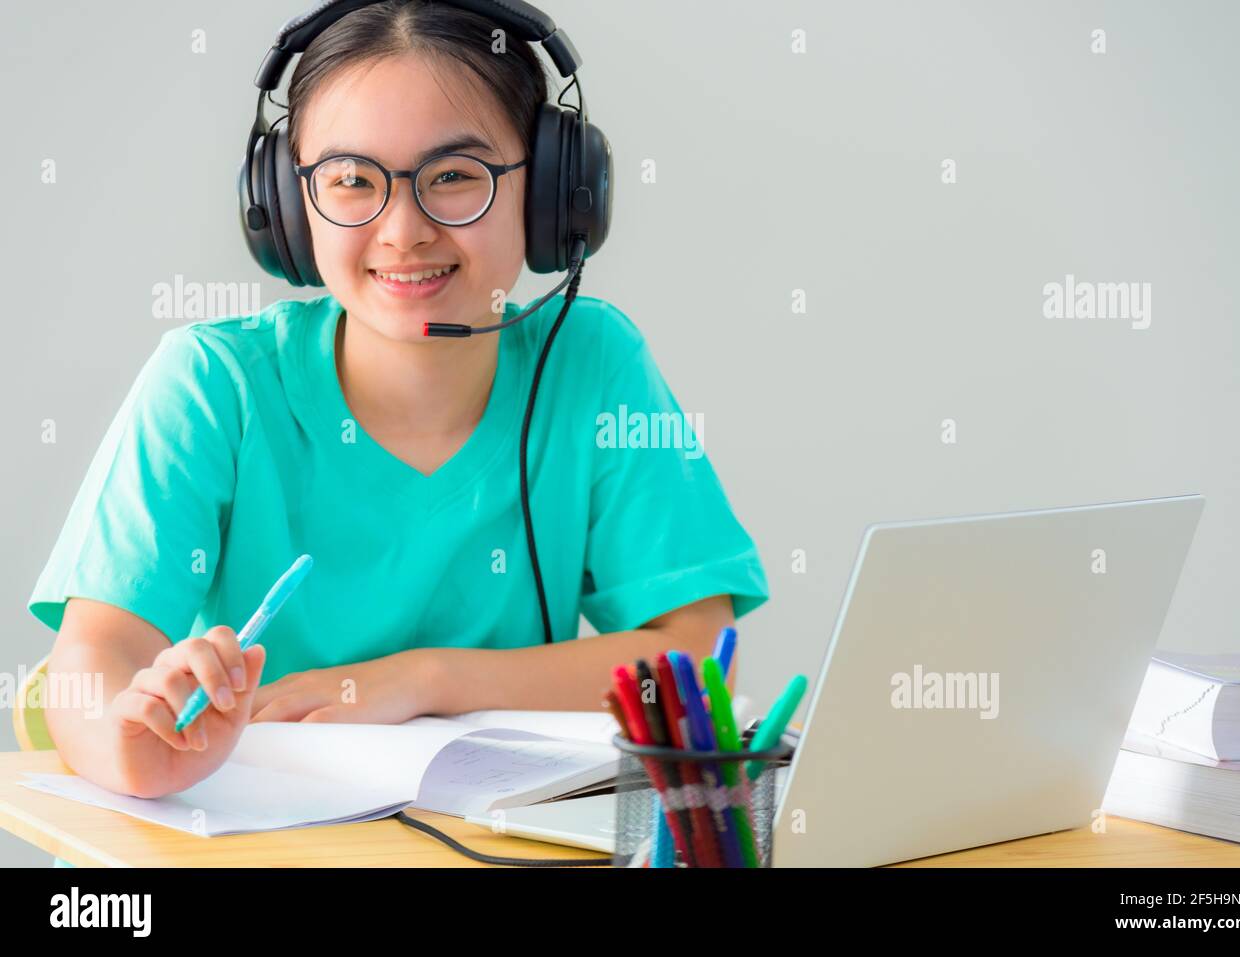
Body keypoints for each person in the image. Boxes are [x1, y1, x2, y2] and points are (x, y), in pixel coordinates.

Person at [27, 1, 768, 800]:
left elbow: (694, 660)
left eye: (455, 177)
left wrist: (425, 679)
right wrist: (130, 745)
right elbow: (93, 658)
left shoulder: (590, 363)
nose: (403, 229)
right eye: (351, 181)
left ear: (556, 191)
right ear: (285, 201)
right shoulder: (212, 384)